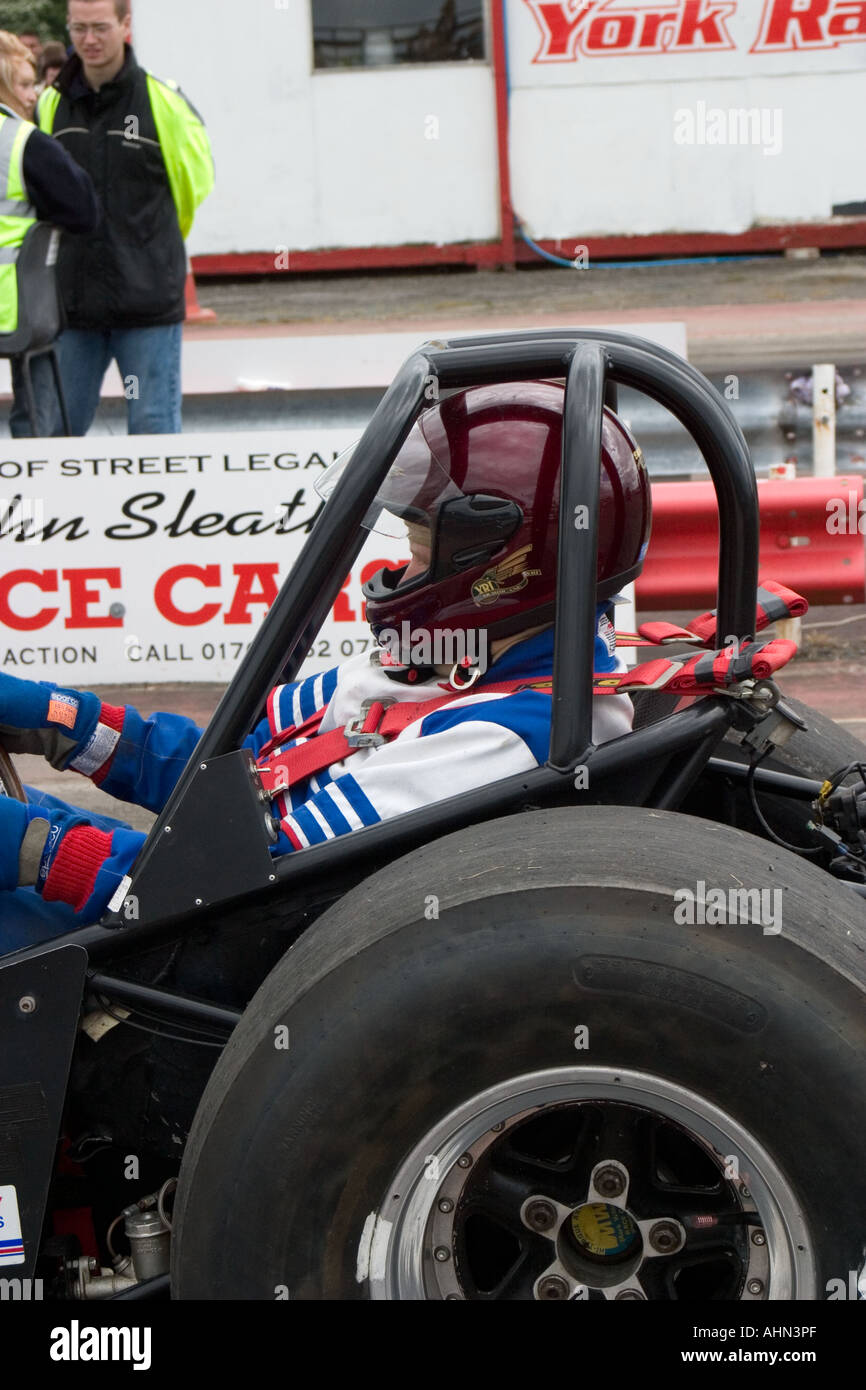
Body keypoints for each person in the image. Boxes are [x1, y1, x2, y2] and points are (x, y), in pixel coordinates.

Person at [0, 383, 651, 952]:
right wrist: (60, 721)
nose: (393, 574)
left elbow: (247, 895)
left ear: (498, 571)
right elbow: (233, 769)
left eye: (417, 552)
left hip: (237, 960)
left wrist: (41, 848)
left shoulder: (511, 739)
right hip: (229, 914)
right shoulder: (456, 669)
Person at [34, 0, 214, 436]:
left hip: (148, 309)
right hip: (71, 311)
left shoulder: (164, 102)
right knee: (58, 437)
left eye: (100, 27)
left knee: (153, 437)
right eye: (79, 29)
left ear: (125, 25)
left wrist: (147, 255)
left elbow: (192, 190)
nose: (89, 40)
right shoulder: (50, 106)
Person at [0, 31, 99, 437]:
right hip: (17, 308)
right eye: (23, 85)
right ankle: (37, 484)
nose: (32, 96)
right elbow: (84, 211)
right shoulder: (22, 141)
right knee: (37, 417)